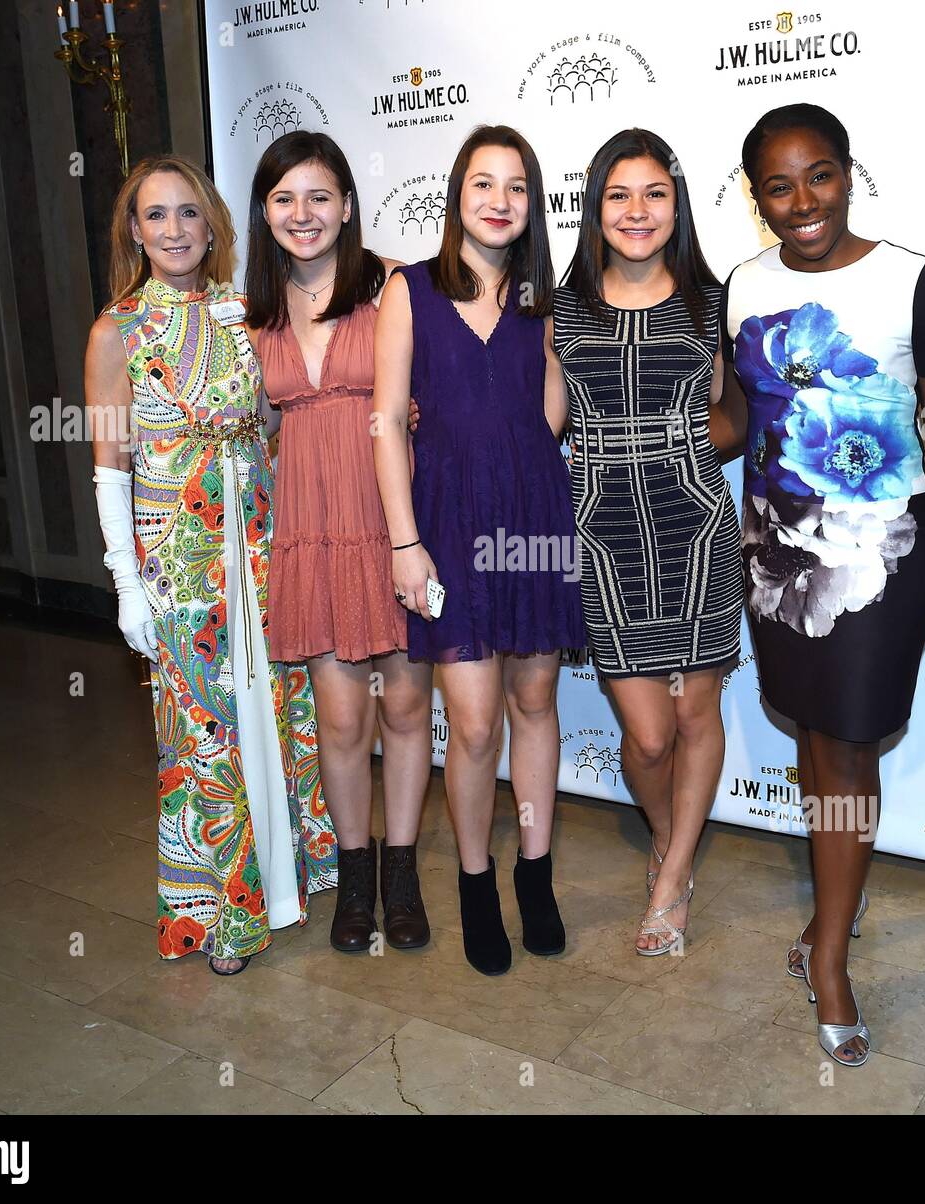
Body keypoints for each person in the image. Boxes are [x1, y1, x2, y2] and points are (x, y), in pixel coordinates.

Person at [715, 104, 925, 1064]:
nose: (803, 202)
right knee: (814, 731)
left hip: (884, 557)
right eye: (778, 186)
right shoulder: (742, 286)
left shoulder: (915, 282)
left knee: (851, 742)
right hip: (779, 552)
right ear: (756, 200)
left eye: (818, 175)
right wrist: (636, 428)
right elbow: (739, 420)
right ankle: (836, 911)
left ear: (848, 172)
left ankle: (829, 950)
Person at [84, 154, 336, 976]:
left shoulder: (244, 312)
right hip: (179, 558)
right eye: (156, 216)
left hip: (263, 541)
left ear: (213, 224)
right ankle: (223, 914)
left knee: (277, 704)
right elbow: (110, 464)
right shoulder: (116, 329)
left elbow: (275, 423)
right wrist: (126, 582)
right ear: (134, 230)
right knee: (202, 730)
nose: (174, 230)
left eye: (188, 213)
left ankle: (291, 881)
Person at [372, 125, 586, 976]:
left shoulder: (547, 300)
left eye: (517, 187)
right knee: (470, 722)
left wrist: (513, 453)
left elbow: (553, 411)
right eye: (483, 184)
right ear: (456, 195)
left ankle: (535, 875)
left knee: (535, 704)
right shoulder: (410, 289)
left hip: (531, 516)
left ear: (533, 205)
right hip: (449, 523)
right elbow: (387, 420)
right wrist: (405, 541)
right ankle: (473, 880)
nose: (499, 201)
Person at [549, 129, 744, 956]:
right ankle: (670, 836)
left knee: (696, 713)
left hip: (696, 523)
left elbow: (737, 415)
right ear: (595, 207)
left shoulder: (714, 302)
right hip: (600, 531)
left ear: (678, 203)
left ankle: (671, 878)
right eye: (618, 195)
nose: (638, 212)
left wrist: (685, 442)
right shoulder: (558, 310)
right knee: (650, 735)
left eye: (655, 193)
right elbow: (540, 424)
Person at [245, 132, 433, 954]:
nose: (303, 214)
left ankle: (403, 873)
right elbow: (248, 430)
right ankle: (353, 878)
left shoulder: (392, 287)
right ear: (265, 213)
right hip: (312, 537)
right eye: (285, 199)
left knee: (407, 710)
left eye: (319, 196)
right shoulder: (248, 312)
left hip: (393, 529)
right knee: (341, 723)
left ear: (348, 205)